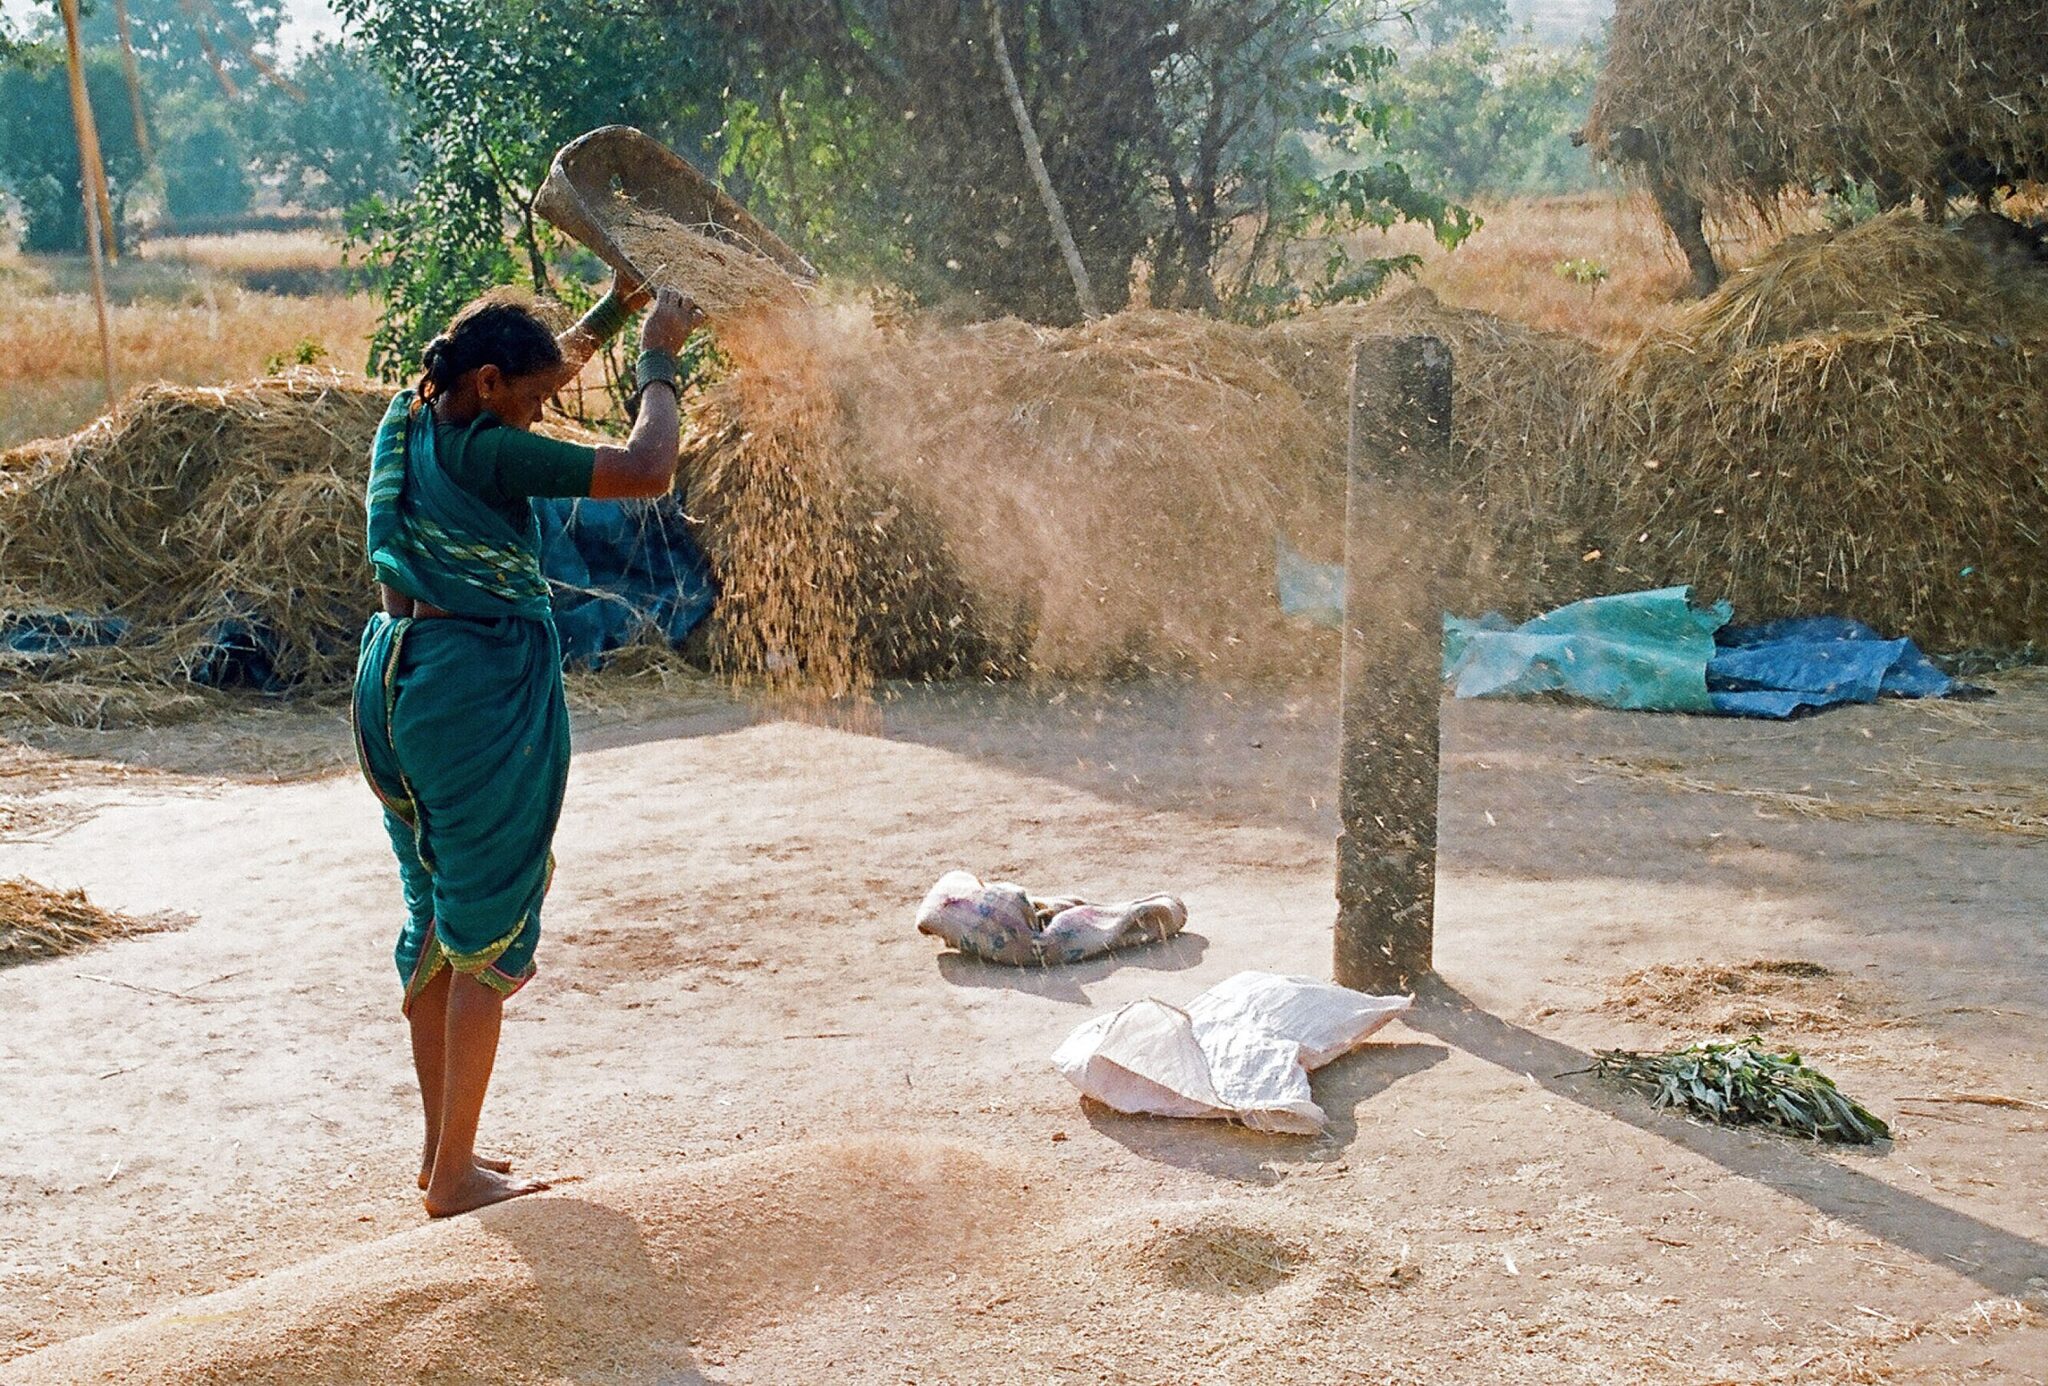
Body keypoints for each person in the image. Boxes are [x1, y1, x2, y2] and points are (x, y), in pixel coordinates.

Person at [352, 277, 703, 1216]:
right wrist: (659, 357)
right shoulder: (492, 457)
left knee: (432, 914)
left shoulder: (409, 415)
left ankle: (440, 1154)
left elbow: (537, 371)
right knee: (481, 929)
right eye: (535, 400)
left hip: (390, 677)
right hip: (469, 687)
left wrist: (614, 306)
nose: (544, 411)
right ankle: (458, 1178)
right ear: (494, 383)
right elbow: (648, 468)